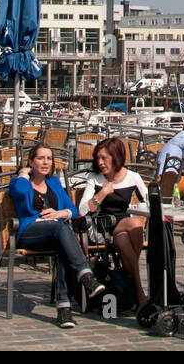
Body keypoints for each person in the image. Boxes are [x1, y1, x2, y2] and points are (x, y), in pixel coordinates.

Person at [9, 143, 105, 328]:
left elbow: (72, 209)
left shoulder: (53, 182)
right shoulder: (20, 182)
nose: (46, 162)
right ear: (31, 161)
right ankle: (85, 275)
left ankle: (64, 310)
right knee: (62, 230)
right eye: (40, 158)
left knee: (63, 243)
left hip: (55, 233)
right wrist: (23, 173)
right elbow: (20, 192)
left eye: (49, 158)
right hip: (31, 233)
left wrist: (61, 213)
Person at [77, 137, 149, 312]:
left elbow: (149, 202)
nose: (100, 163)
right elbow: (82, 211)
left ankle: (131, 283)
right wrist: (102, 193)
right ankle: (139, 291)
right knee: (134, 222)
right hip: (101, 228)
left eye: (104, 158)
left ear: (116, 156)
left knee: (126, 237)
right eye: (98, 158)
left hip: (123, 230)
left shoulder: (132, 177)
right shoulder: (95, 178)